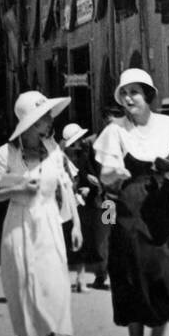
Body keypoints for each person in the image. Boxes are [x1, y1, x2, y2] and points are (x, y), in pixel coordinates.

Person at [94, 68, 169, 336]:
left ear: (148, 95)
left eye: (134, 92)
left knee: (168, 279)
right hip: (130, 213)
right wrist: (114, 176)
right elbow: (105, 177)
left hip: (165, 210)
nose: (128, 99)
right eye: (124, 94)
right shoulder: (115, 131)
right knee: (132, 278)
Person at [0, 91, 80, 336]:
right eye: (44, 116)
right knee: (22, 290)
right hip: (18, 225)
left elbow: (67, 186)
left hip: (49, 222)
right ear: (31, 122)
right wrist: (18, 189)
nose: (50, 120)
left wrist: (76, 224)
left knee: (53, 289)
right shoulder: (7, 153)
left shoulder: (54, 150)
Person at [61, 123, 108, 293]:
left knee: (107, 235)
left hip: (108, 201)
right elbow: (84, 177)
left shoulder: (95, 152)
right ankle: (101, 273)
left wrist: (95, 186)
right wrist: (89, 187)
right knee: (99, 237)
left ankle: (104, 272)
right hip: (97, 202)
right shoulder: (84, 154)